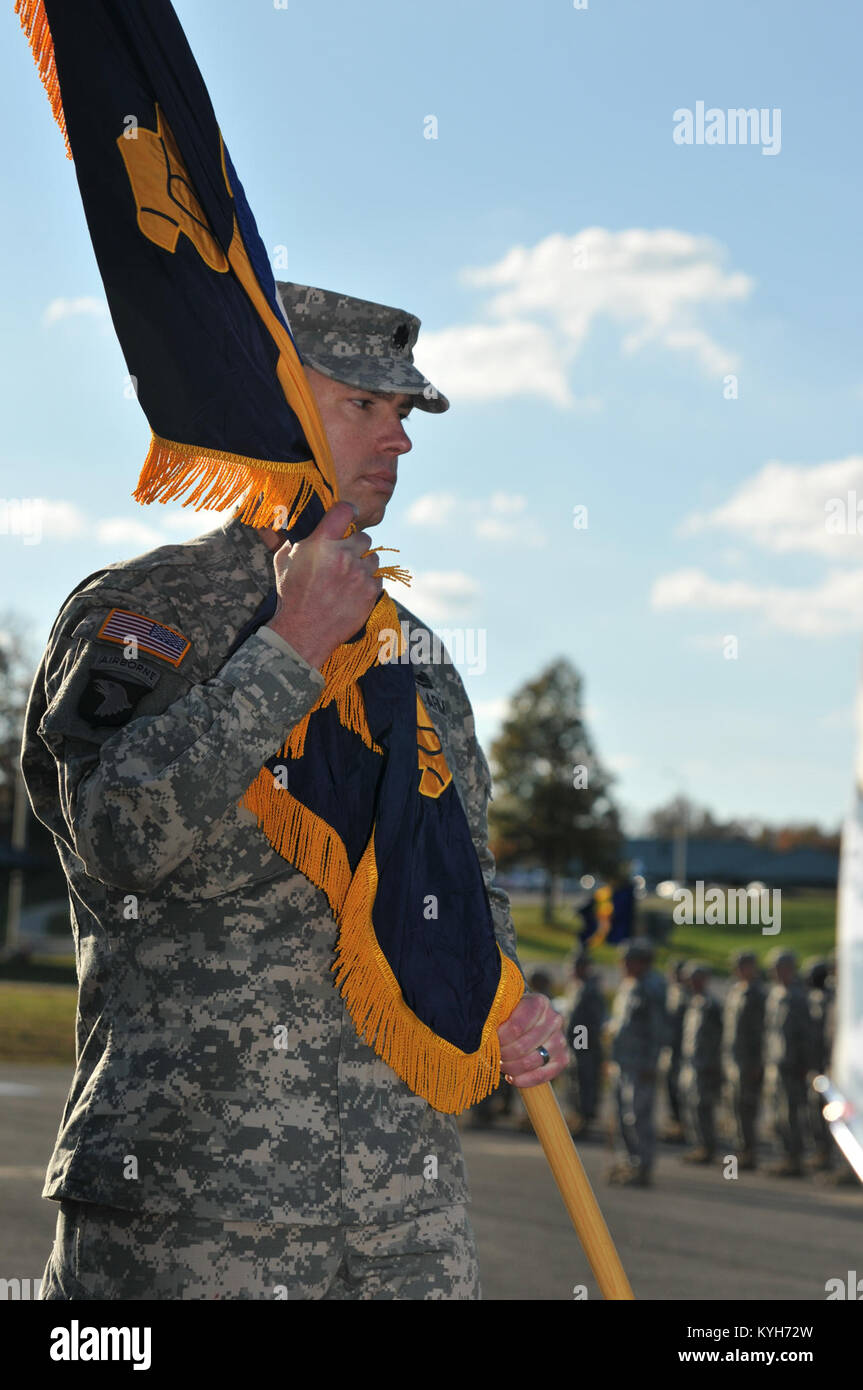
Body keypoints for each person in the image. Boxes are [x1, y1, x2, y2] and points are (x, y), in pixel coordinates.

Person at [21, 282, 568, 1301]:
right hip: (196, 1215)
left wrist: (504, 997)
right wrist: (289, 648)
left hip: (405, 1219)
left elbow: (449, 880)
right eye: (364, 403)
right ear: (266, 407)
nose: (398, 439)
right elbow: (122, 834)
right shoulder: (146, 615)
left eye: (403, 415)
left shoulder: (411, 655)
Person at [605, 939, 665, 1187]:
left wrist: (651, 1063)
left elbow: (658, 1030)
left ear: (643, 963)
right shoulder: (630, 986)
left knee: (637, 1117)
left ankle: (642, 1165)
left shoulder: (651, 989)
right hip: (624, 1062)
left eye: (629, 960)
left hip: (640, 1065)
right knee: (622, 1115)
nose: (624, 965)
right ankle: (629, 1162)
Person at [763, 948, 811, 1178]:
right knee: (777, 1114)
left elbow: (805, 1035)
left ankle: (794, 1159)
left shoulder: (798, 997)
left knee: (790, 1114)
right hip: (777, 1064)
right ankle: (786, 1156)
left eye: (779, 968)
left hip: (793, 1066)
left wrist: (804, 1065)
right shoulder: (775, 994)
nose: (775, 973)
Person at [722, 950, 765, 1170]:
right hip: (734, 1059)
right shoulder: (736, 991)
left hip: (748, 1061)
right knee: (735, 1105)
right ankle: (740, 1148)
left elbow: (760, 1032)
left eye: (744, 965)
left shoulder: (757, 994)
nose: (739, 970)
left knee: (748, 1106)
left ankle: (749, 1151)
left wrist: (757, 1062)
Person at [678, 962, 723, 1164]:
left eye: (695, 978)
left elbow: (719, 1037)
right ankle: (699, 1145)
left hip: (706, 1065)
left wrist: (715, 1064)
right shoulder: (693, 1003)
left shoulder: (711, 1005)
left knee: (703, 1106)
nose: (692, 982)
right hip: (692, 1063)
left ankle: (708, 1146)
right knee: (692, 1106)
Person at [564, 951, 606, 1139]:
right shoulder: (577, 988)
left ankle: (585, 1119)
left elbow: (588, 1022)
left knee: (585, 1081)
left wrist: (580, 1045)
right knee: (575, 1081)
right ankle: (578, 1115)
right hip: (576, 1044)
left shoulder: (590, 990)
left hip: (584, 1046)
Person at [661, 959, 688, 1142]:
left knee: (680, 1090)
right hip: (670, 1049)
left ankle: (682, 1125)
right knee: (670, 1087)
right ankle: (675, 1123)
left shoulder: (686, 996)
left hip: (681, 1050)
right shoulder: (671, 993)